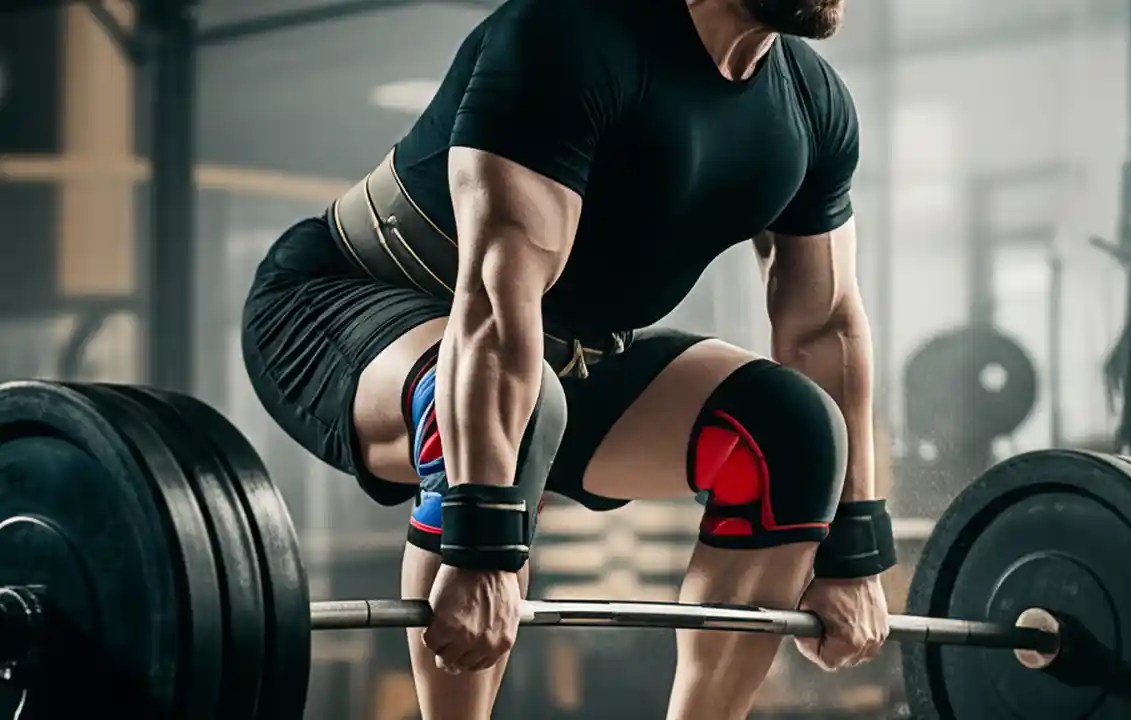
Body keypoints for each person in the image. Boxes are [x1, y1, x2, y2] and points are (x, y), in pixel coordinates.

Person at [241, 0, 896, 716]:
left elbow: (824, 328)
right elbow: (495, 301)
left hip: (556, 354)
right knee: (520, 417)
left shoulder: (811, 103)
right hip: (340, 303)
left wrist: (850, 554)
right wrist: (481, 545)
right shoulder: (569, 35)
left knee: (791, 430)